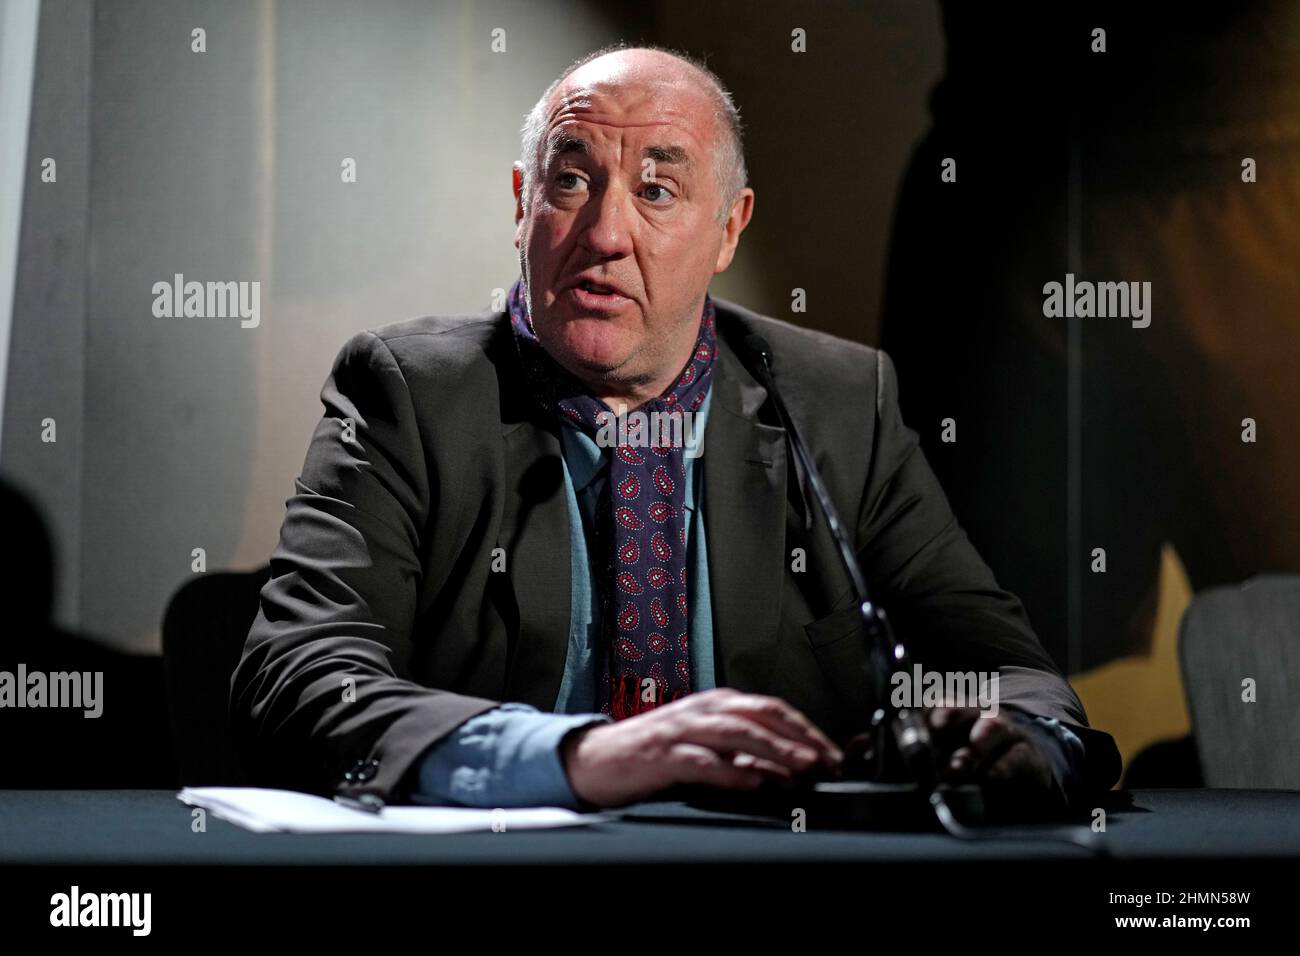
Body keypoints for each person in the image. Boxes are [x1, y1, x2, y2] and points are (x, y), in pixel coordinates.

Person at [230, 43, 1119, 814]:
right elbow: (300, 674)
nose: (605, 233)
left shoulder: (840, 404)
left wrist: (1024, 742)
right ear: (521, 205)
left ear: (729, 229)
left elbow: (1007, 668)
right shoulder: (408, 395)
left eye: (657, 190)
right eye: (570, 181)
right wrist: (578, 757)